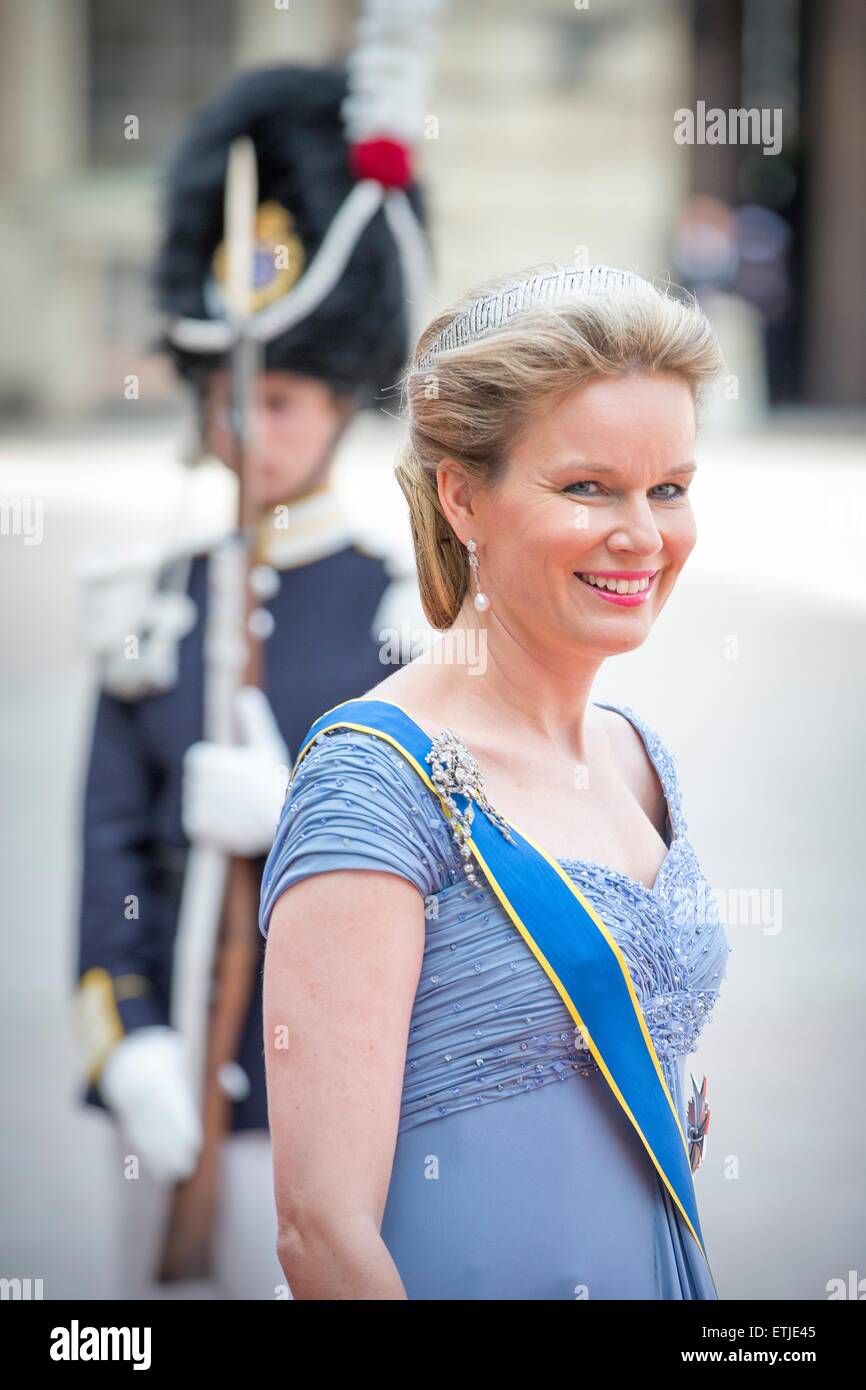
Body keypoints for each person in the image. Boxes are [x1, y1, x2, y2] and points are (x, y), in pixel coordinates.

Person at [258, 262, 734, 1300]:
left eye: (668, 488)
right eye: (586, 486)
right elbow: (318, 1233)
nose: (643, 536)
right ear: (461, 494)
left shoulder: (638, 756)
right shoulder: (371, 785)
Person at [73, 56, 434, 1300]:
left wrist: (301, 827)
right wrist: (129, 1046)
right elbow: (109, 851)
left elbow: (461, 863)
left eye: (279, 399)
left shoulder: (410, 616)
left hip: (343, 1114)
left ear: (339, 403)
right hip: (176, 1090)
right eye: (226, 397)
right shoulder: (152, 602)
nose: (246, 430)